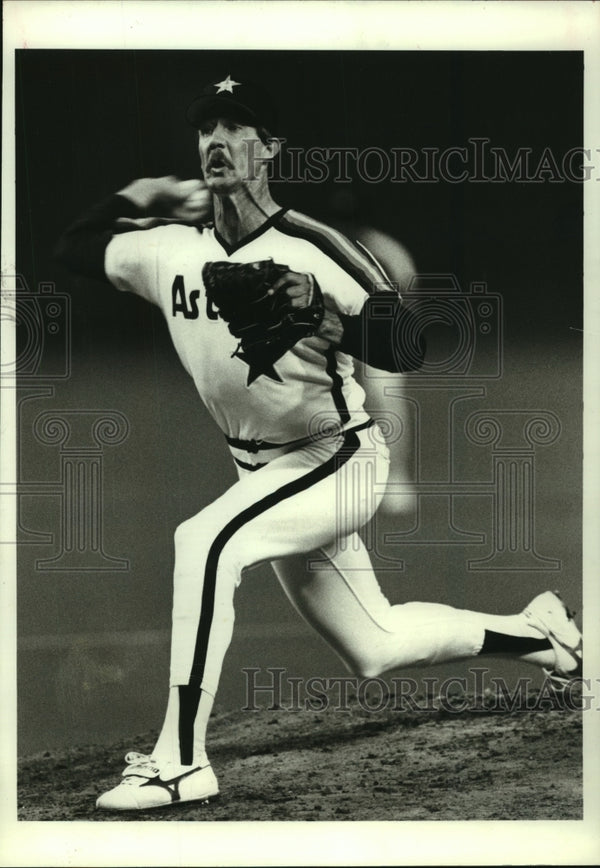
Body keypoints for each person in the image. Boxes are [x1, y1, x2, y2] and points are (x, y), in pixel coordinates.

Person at [55, 73, 582, 812]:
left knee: (204, 542)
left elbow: (408, 345)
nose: (218, 142)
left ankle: (180, 760)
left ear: (270, 149)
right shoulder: (166, 250)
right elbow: (76, 250)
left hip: (337, 458)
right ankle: (539, 636)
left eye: (237, 128)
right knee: (373, 646)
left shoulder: (314, 247)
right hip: (265, 474)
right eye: (207, 128)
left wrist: (326, 315)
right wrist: (137, 196)